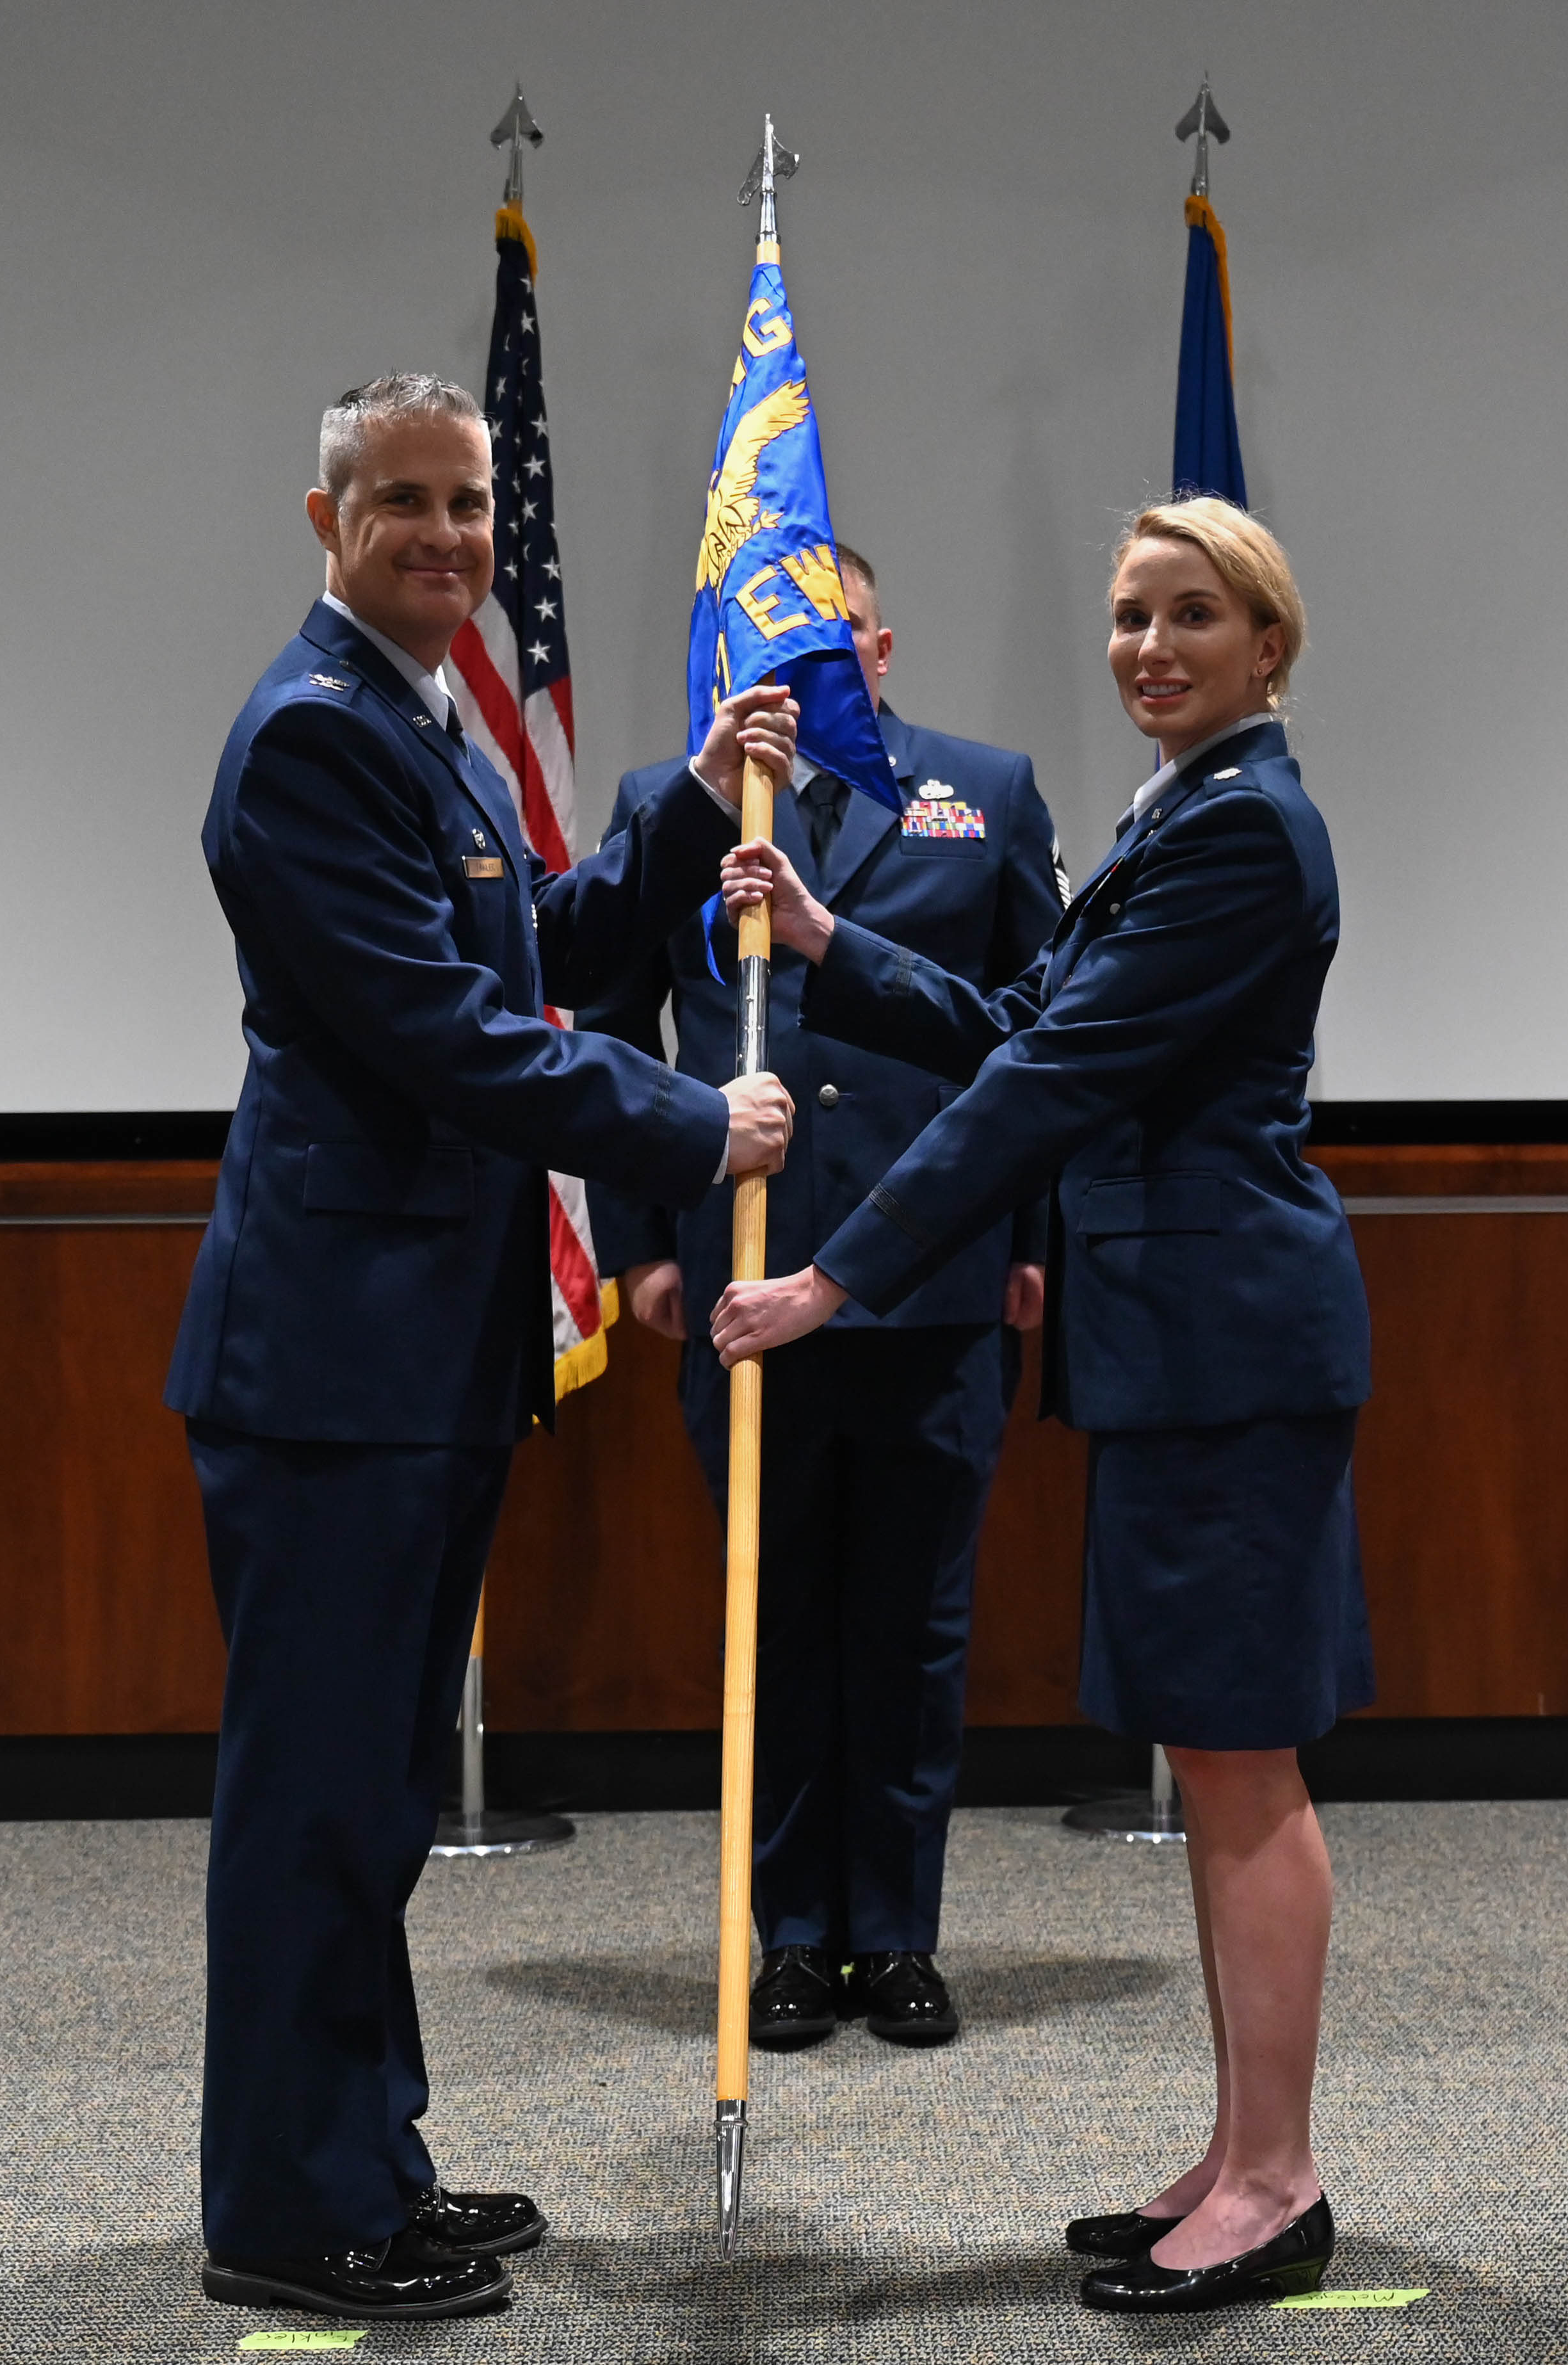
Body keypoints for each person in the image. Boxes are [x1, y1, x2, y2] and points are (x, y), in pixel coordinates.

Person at [163, 373, 796, 2323]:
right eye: (406, 503)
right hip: (333, 1367)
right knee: (319, 1800)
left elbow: (542, 954)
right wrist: (693, 1128)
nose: (447, 535)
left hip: (417, 1358)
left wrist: (691, 805)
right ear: (324, 517)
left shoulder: (425, 730)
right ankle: (284, 2206)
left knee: (369, 1799)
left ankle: (370, 2155)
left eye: (466, 503)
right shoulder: (307, 743)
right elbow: (448, 1037)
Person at [713, 497, 1372, 2316]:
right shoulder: (1188, 813)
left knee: (1240, 1763)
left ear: (1268, 642)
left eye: (1190, 615)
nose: (1147, 647)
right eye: (1125, 616)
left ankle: (1278, 2174)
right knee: (1217, 1752)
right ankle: (1233, 2149)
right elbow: (1022, 1011)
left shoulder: (1243, 832)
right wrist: (837, 942)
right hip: (1181, 1341)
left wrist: (835, 1274)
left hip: (1229, 1339)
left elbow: (1049, 1083)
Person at [579, 544, 1066, 2052]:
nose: (796, 668)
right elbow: (611, 1021)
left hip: (933, 1280)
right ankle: (789, 1935)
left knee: (916, 1624)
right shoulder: (687, 799)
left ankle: (896, 1935)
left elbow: (1048, 1041)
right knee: (773, 1619)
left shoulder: (984, 788)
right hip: (742, 1270)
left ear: (881, 642)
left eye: (827, 637)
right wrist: (640, 1244)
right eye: (766, 641)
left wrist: (1030, 1235)